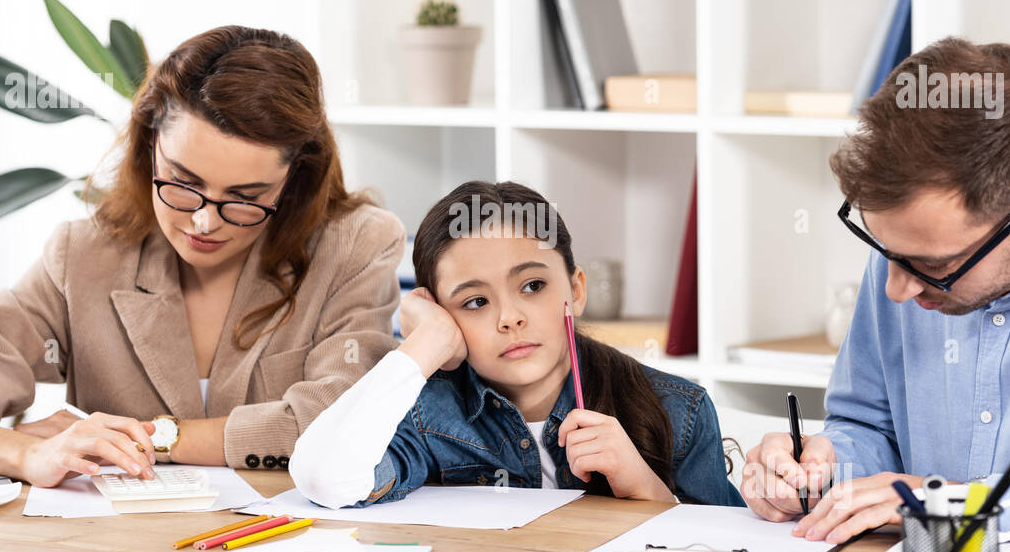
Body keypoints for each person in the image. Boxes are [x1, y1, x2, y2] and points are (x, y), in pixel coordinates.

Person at [0, 26, 404, 488]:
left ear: (294, 178)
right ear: (150, 144)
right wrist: (27, 453)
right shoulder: (83, 256)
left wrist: (151, 438)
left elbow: (344, 426)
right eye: (183, 183)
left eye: (243, 198)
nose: (203, 221)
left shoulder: (355, 245)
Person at [741, 37, 1010, 552]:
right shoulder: (911, 251)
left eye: (933, 267)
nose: (896, 289)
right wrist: (820, 470)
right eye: (885, 251)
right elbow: (869, 427)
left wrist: (969, 507)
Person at [288, 180, 744, 508]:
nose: (511, 318)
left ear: (576, 290)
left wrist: (647, 489)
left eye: (532, 286)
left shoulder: (678, 409)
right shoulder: (428, 416)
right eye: (476, 301)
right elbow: (324, 478)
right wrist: (424, 345)